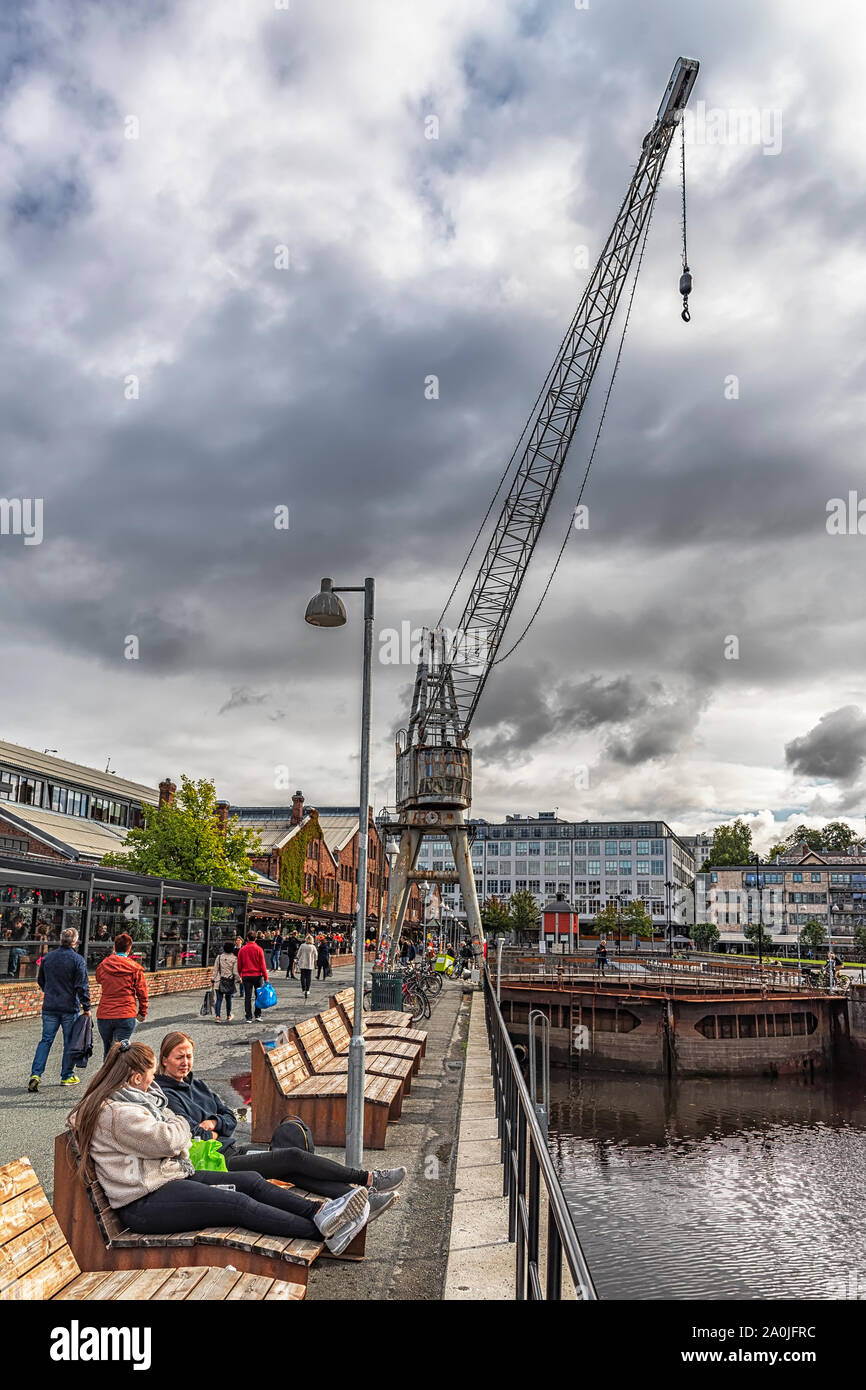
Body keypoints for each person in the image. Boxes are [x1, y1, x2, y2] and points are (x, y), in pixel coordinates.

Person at [66, 1040, 370, 1256]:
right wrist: (180, 1125)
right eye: (148, 1077)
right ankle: (323, 1232)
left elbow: (173, 1128)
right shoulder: (120, 1113)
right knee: (236, 1204)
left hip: (168, 1181)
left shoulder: (131, 1102)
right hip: (144, 1203)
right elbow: (172, 1138)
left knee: (250, 1181)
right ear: (135, 1079)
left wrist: (175, 1123)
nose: (152, 1083)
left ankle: (321, 1211)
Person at [157, 1032, 404, 1205]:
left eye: (189, 1056)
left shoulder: (196, 1084)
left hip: (231, 1150)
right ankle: (367, 1179)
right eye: (179, 1057)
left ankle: (360, 1198)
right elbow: (193, 1135)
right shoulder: (166, 1094)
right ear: (164, 1060)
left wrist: (214, 1124)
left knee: (291, 1167)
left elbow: (231, 1119)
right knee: (291, 1157)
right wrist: (214, 1126)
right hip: (215, 1163)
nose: (185, 1063)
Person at [27, 926, 91, 1092]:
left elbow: (41, 980)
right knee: (69, 1042)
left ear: (61, 940)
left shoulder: (48, 958)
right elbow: (82, 986)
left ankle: (36, 1074)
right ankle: (67, 1075)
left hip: (50, 1005)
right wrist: (87, 1007)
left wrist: (49, 992)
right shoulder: (77, 960)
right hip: (69, 1007)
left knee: (46, 1040)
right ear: (75, 942)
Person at [95, 932, 148, 1059]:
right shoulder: (135, 968)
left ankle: (106, 1077)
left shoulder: (104, 965)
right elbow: (142, 993)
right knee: (122, 1051)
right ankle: (119, 1077)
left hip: (105, 1013)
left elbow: (98, 979)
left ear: (114, 947)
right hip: (126, 1013)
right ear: (129, 949)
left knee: (108, 1050)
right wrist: (142, 1012)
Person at [237, 931, 269, 1023]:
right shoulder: (259, 949)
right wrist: (266, 977)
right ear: (255, 939)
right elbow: (263, 965)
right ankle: (258, 1014)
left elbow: (239, 964)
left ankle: (248, 1016)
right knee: (258, 995)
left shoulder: (242, 950)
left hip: (246, 975)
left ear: (247, 938)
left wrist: (240, 974)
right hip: (257, 975)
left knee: (247, 996)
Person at [211, 940, 241, 1022]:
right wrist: (239, 979)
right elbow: (235, 972)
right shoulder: (234, 959)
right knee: (228, 999)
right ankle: (228, 1015)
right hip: (229, 981)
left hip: (219, 980)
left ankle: (218, 1016)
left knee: (219, 1000)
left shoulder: (219, 957)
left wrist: (212, 979)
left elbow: (215, 970)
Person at [296, 933, 316, 1000]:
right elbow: (316, 955)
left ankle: (303, 989)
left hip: (302, 963)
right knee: (308, 977)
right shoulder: (313, 947)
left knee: (302, 976)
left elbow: (298, 954)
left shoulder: (302, 945)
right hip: (309, 963)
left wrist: (297, 958)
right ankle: (307, 990)